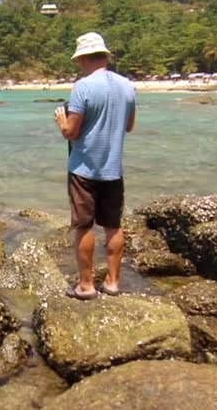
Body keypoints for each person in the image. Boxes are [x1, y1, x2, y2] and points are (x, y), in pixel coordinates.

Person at [53, 32, 136, 300]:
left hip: (84, 170)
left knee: (84, 226)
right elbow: (129, 126)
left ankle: (86, 286)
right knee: (113, 225)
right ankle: (112, 282)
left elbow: (71, 132)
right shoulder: (127, 86)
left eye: (79, 61)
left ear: (85, 59)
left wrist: (60, 120)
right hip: (113, 169)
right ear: (105, 56)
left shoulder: (83, 87)